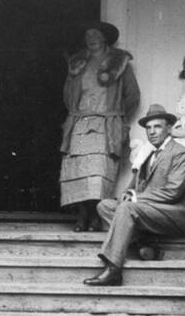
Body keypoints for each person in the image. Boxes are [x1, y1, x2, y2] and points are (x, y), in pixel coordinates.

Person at [83, 104, 185, 287]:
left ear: (169, 129)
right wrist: (128, 195)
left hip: (177, 214)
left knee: (127, 208)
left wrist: (135, 199)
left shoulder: (182, 154)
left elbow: (173, 192)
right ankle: (145, 245)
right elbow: (138, 186)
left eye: (157, 127)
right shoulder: (148, 154)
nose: (152, 132)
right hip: (150, 210)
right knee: (104, 205)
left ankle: (113, 269)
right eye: (148, 128)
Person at [59, 21, 140, 232]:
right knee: (79, 172)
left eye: (95, 34)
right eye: (88, 34)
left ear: (105, 37)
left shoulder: (119, 62)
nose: (91, 38)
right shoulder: (78, 63)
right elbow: (68, 94)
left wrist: (117, 116)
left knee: (99, 173)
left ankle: (95, 217)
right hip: (80, 123)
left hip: (106, 125)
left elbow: (133, 96)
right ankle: (82, 216)